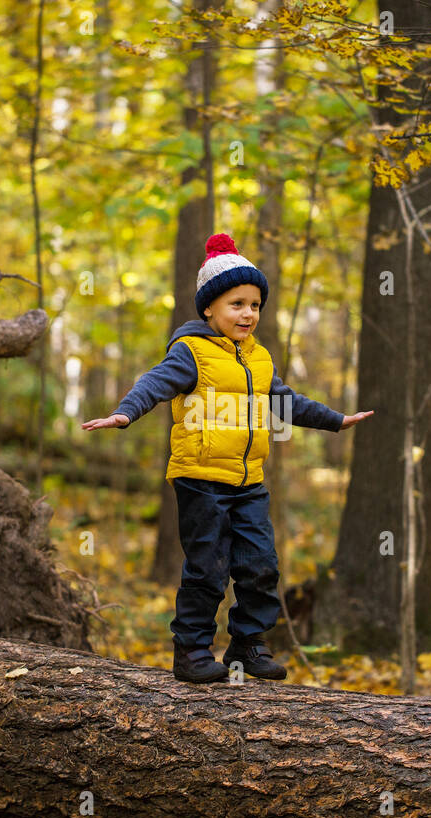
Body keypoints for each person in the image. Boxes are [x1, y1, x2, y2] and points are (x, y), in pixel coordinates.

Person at [82, 233, 372, 683]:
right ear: (209, 309)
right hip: (200, 478)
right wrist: (125, 413)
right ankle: (192, 651)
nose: (248, 314)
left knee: (261, 565)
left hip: (248, 480)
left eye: (255, 305)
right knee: (208, 569)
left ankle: (247, 646)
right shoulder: (191, 352)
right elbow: (154, 384)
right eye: (237, 304)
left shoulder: (259, 359)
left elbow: (285, 401)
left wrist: (335, 420)